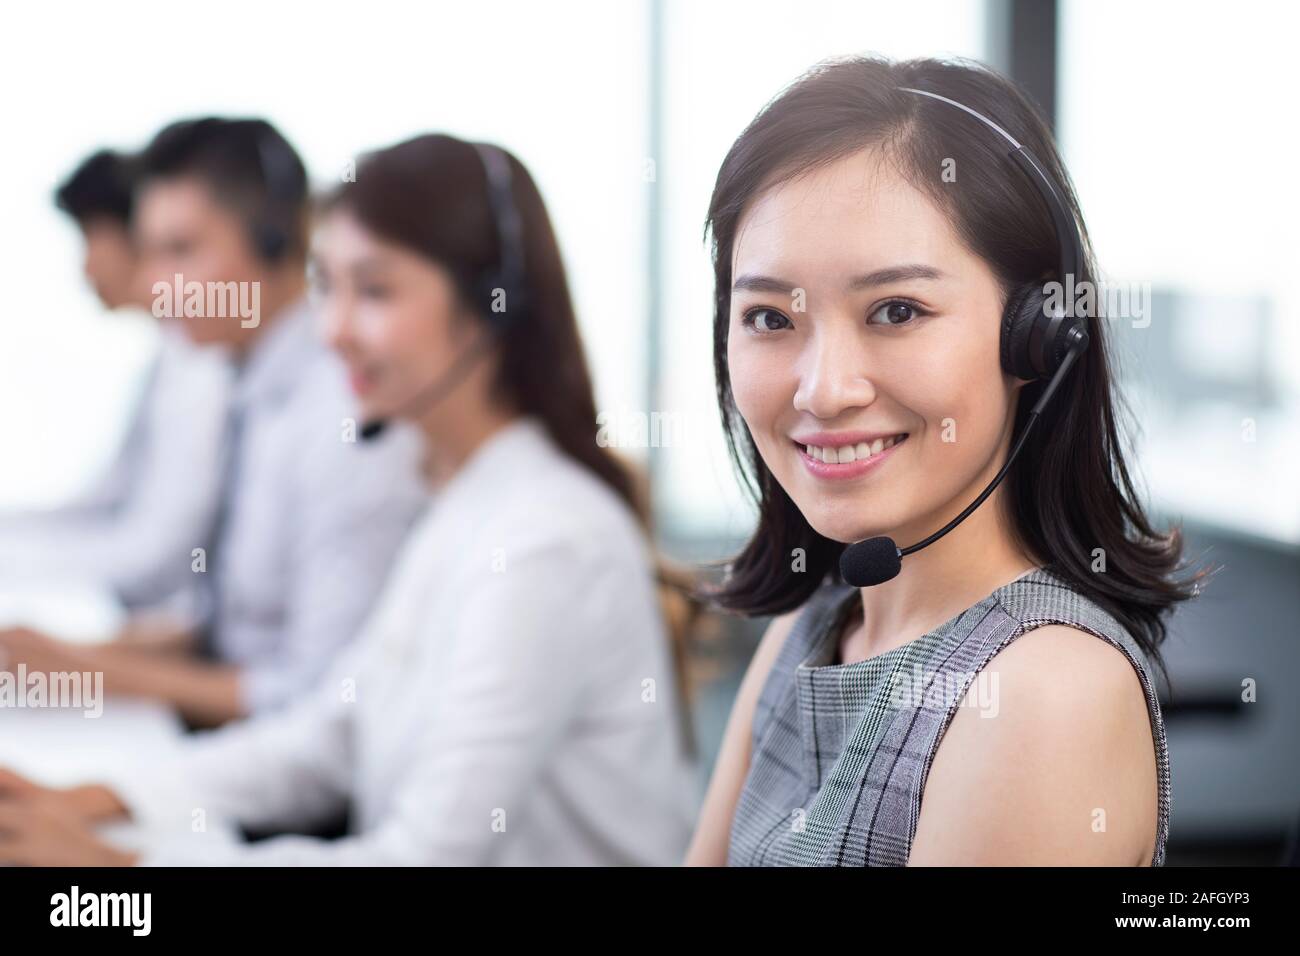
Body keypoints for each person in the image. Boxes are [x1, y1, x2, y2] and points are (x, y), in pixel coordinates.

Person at [0, 134, 698, 866]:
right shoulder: (465, 498)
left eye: (374, 291)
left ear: (495, 307)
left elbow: (424, 857)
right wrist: (93, 798)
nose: (331, 331)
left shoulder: (545, 537)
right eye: (327, 285)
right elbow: (328, 737)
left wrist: (120, 867)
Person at [685, 56, 1212, 867]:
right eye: (767, 316)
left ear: (1038, 335)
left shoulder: (1042, 695)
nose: (824, 391)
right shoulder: (819, 621)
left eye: (896, 310)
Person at [0, 119, 429, 726]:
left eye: (180, 251)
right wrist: (68, 657)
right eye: (148, 253)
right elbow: (232, 630)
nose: (153, 287)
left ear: (274, 239)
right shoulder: (243, 387)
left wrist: (100, 674)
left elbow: (317, 697)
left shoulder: (341, 420)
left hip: (287, 787)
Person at [0, 149, 230, 615]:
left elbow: (156, 555)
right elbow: (107, 503)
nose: (85, 269)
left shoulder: (206, 367)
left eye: (90, 239)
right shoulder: (172, 356)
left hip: (160, 629)